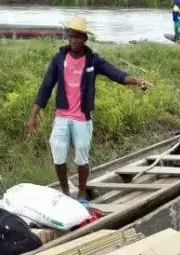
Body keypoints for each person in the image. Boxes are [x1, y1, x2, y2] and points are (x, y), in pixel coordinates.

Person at [27, 16, 151, 199]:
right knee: (58, 156)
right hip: (62, 116)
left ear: (85, 38)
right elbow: (46, 86)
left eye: (77, 36)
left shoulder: (93, 61)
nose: (73, 40)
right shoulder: (59, 58)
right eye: (70, 36)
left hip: (82, 118)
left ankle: (82, 193)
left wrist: (137, 81)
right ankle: (66, 191)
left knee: (82, 158)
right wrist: (33, 115)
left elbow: (116, 74)